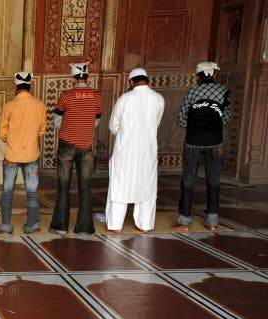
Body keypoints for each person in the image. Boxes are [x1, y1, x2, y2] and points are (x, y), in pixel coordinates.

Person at [104, 68, 165, 233]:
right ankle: (145, 225)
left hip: (125, 152)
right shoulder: (158, 99)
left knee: (120, 186)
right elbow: (155, 124)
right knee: (146, 186)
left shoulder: (125, 99)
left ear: (131, 82)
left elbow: (113, 126)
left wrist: (123, 132)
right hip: (148, 151)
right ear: (147, 79)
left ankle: (115, 225)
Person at [173, 61, 231, 233]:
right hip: (215, 143)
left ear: (197, 77)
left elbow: (181, 120)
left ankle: (184, 221)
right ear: (214, 75)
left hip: (192, 142)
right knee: (213, 181)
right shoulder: (224, 91)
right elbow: (226, 118)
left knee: (188, 182)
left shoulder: (191, 92)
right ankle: (212, 222)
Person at [50, 61, 103, 235]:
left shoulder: (66, 95)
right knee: (85, 186)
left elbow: (56, 121)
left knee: (64, 185)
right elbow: (96, 121)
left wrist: (70, 126)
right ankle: (85, 227)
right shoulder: (97, 96)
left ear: (73, 78)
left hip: (66, 144)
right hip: (86, 145)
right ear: (87, 77)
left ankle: (61, 226)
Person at [0, 71, 46, 235]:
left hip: (11, 155)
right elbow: (41, 131)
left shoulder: (9, 106)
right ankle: (31, 225)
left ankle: (6, 226)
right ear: (30, 86)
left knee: (7, 191)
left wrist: (12, 142)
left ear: (15, 87)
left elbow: (1, 132)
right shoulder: (40, 105)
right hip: (31, 155)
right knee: (31, 192)